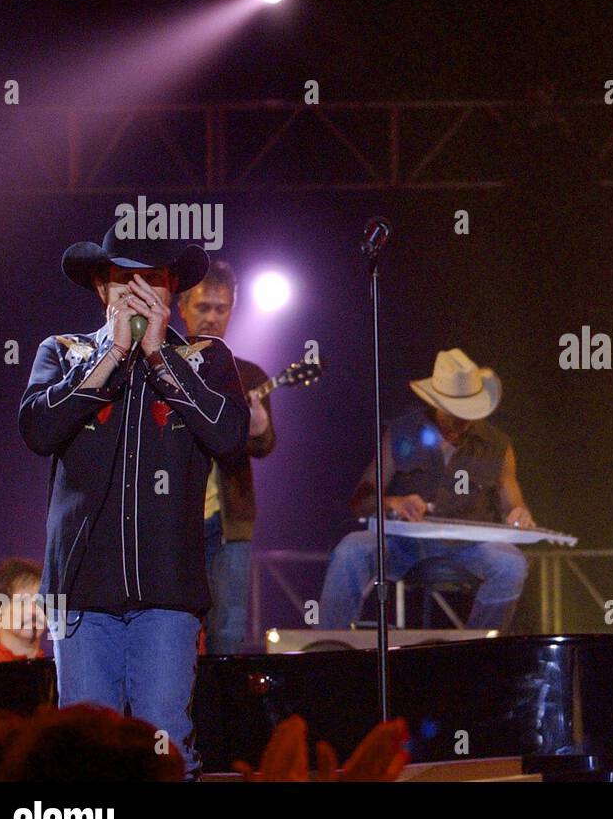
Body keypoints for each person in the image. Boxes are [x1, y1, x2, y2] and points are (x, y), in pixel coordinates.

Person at [19, 224, 249, 780]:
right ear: (101, 289)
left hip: (165, 595)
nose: (140, 293)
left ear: (174, 293)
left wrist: (158, 358)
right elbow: (37, 429)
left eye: (154, 281)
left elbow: (230, 436)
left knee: (164, 750)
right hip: (81, 592)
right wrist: (115, 354)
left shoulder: (206, 358)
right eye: (126, 280)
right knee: (84, 758)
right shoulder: (64, 351)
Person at [319, 349, 532, 632]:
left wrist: (520, 514)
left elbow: (514, 506)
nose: (462, 423)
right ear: (436, 403)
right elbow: (361, 501)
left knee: (511, 564)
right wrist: (394, 502)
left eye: (468, 415)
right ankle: (331, 648)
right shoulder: (401, 433)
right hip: (403, 543)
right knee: (351, 550)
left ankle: (479, 648)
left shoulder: (497, 445)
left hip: (469, 546)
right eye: (454, 414)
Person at [177, 260, 276, 654]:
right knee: (173, 625)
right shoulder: (162, 363)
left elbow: (265, 445)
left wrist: (259, 424)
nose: (213, 317)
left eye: (222, 308)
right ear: (181, 307)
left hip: (228, 522)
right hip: (173, 521)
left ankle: (221, 712)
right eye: (203, 307)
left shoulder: (249, 375)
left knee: (229, 631)